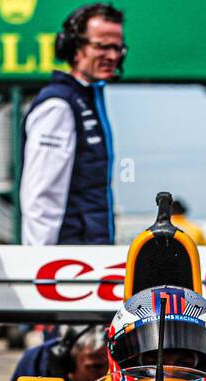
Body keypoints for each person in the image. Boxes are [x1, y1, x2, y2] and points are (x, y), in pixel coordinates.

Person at [20, 3, 125, 245]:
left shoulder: (89, 99)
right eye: (103, 46)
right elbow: (41, 198)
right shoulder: (58, 105)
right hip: (65, 264)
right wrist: (38, 269)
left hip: (87, 257)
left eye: (118, 48)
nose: (113, 56)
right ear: (75, 48)